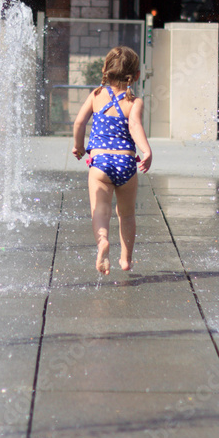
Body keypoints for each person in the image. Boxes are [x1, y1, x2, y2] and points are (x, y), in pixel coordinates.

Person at [72, 46, 153, 275]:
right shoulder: (134, 102)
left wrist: (79, 147)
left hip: (100, 163)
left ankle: (103, 241)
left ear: (104, 69)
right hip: (126, 163)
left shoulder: (96, 95)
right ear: (136, 76)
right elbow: (135, 126)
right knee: (126, 214)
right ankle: (126, 260)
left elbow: (79, 123)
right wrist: (146, 151)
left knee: (100, 210)